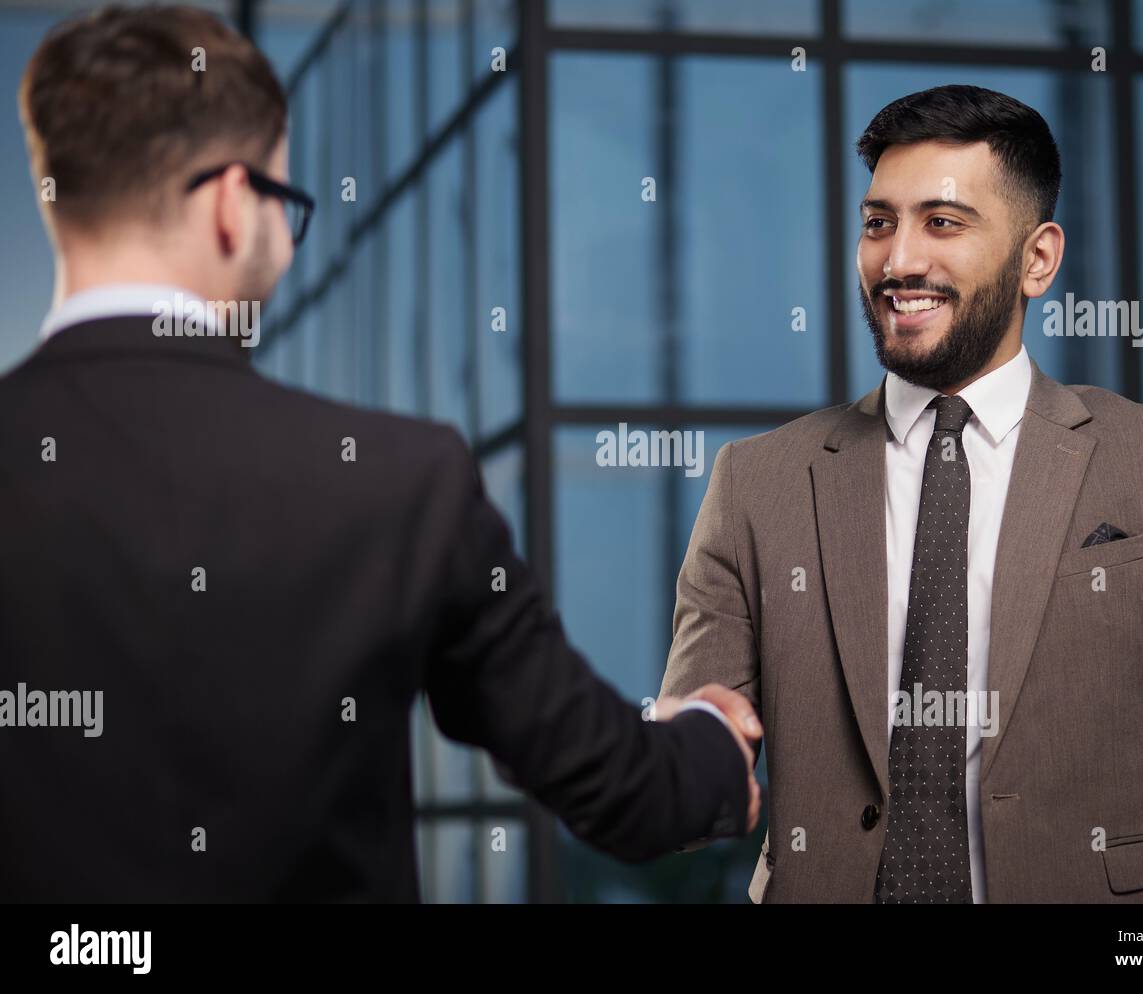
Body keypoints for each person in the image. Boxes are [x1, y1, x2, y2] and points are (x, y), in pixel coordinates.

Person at [0, 4, 760, 902]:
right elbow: (614, 783)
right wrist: (709, 735)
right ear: (233, 207)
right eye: (287, 202)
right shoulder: (399, 481)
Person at [662, 84, 1143, 904]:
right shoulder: (757, 483)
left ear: (1038, 258)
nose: (899, 262)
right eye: (879, 222)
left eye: (943, 222)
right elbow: (687, 787)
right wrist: (669, 760)